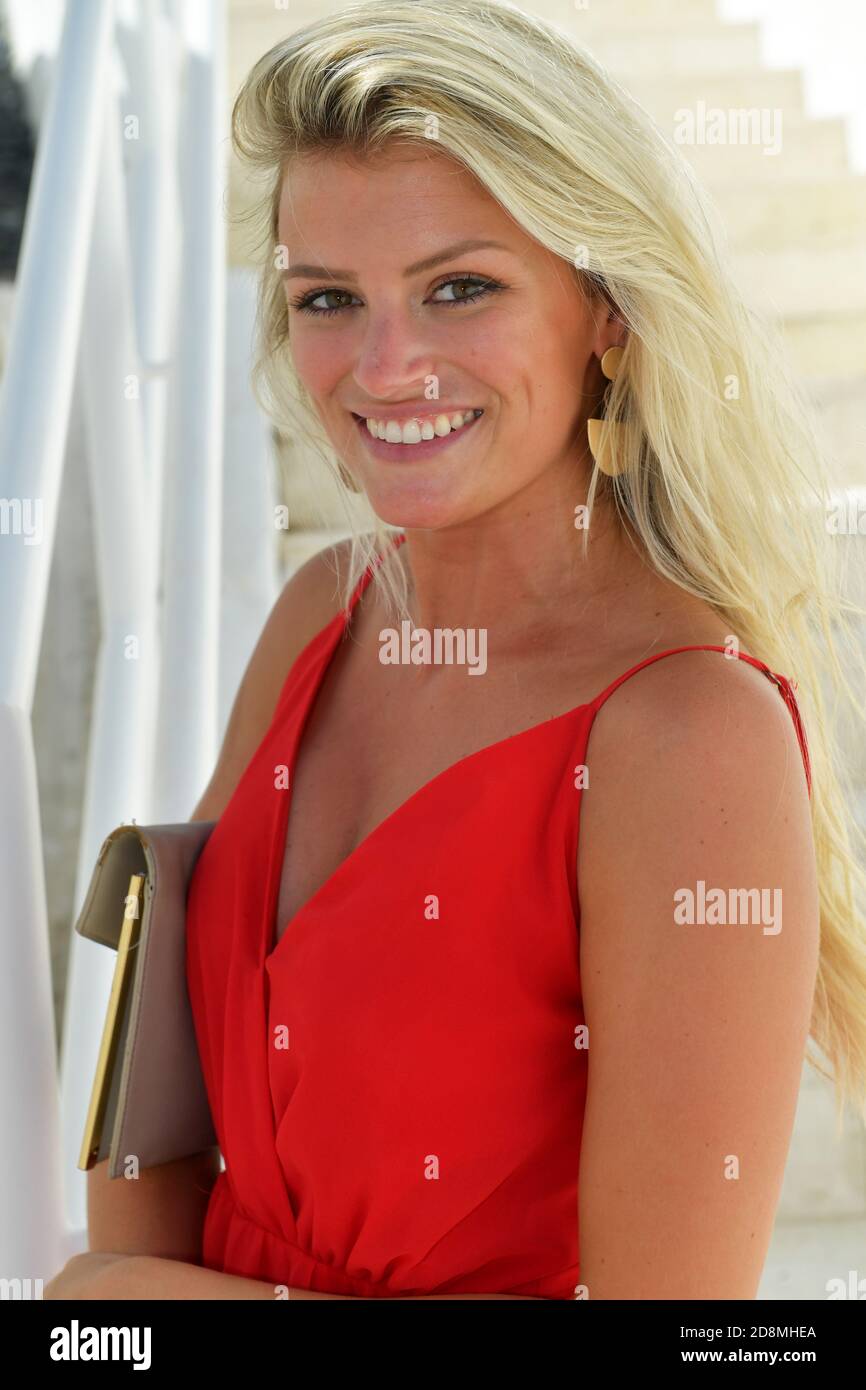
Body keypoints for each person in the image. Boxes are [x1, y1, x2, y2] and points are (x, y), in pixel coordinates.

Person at [48, 0, 866, 1301]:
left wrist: (125, 1306)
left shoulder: (686, 737)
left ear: (603, 308)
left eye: (459, 287)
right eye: (328, 298)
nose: (384, 366)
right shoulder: (320, 613)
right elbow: (160, 1139)